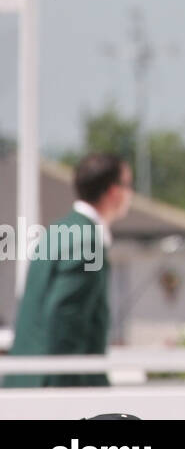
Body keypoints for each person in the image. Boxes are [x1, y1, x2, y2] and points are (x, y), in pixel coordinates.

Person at [3, 153, 131, 388]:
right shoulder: (87, 241)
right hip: (52, 392)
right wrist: (74, 399)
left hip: (25, 384)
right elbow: (66, 322)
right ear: (114, 191)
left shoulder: (57, 230)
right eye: (128, 185)